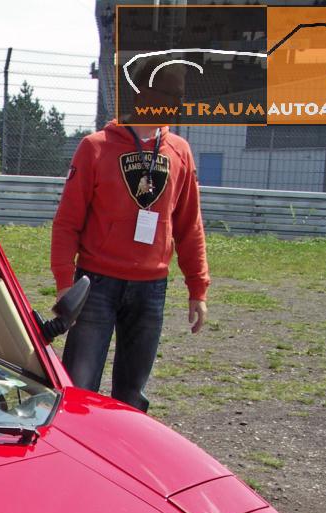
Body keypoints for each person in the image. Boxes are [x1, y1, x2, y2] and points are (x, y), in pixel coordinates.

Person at [50, 62, 208, 412]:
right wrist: (65, 283)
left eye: (179, 97)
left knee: (131, 398)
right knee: (78, 388)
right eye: (170, 95)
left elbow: (189, 224)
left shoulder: (180, 151)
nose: (177, 105)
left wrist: (198, 289)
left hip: (151, 288)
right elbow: (67, 222)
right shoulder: (96, 147)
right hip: (96, 285)